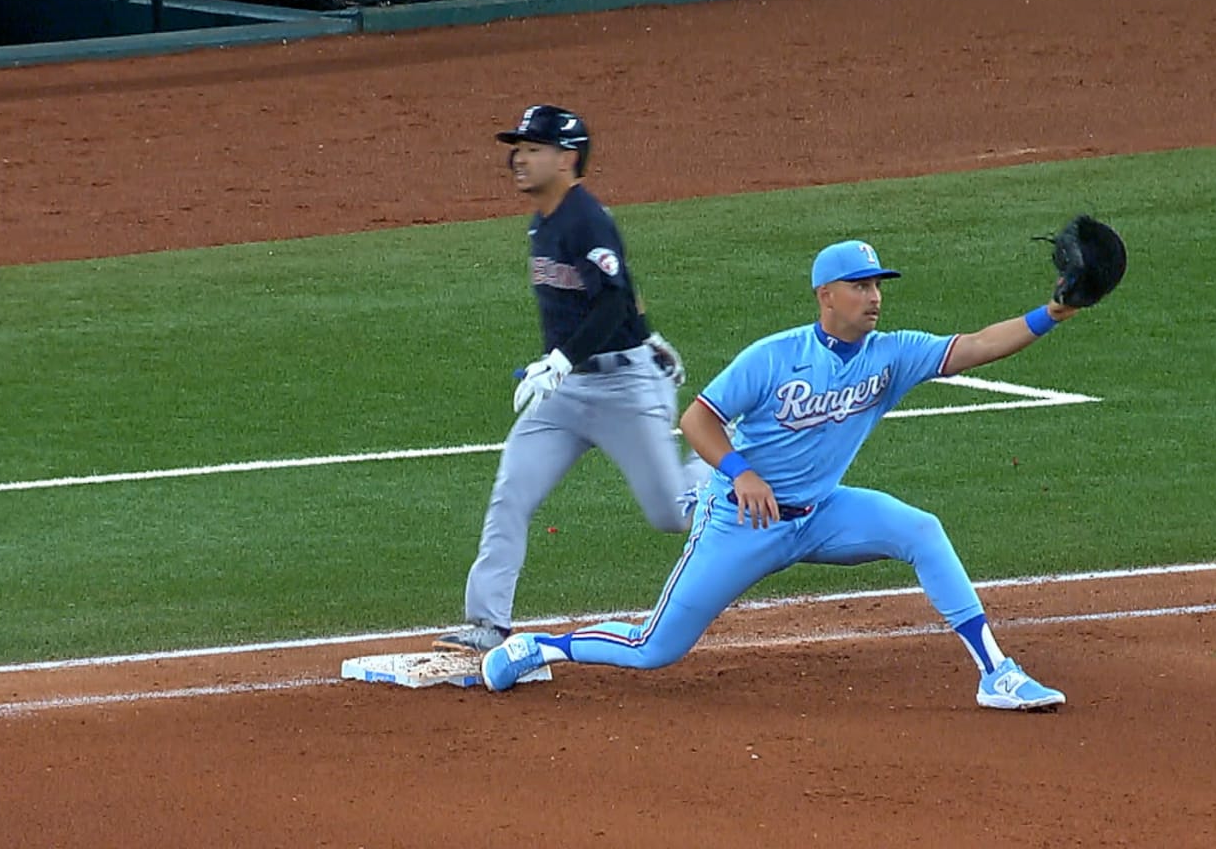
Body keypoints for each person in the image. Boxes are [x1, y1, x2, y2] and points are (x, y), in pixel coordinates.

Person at [478, 237, 1084, 710]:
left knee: (921, 530)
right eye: (860, 285)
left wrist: (1054, 311)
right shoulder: (773, 357)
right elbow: (697, 420)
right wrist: (740, 473)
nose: (874, 296)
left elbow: (976, 345)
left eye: (878, 284)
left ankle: (996, 673)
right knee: (653, 648)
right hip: (742, 521)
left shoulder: (892, 353)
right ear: (825, 294)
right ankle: (542, 646)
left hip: (820, 515)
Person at [434, 104, 708, 654]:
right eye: (519, 148)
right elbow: (620, 295)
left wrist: (567, 357)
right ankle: (487, 624)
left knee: (672, 512)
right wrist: (639, 334)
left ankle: (729, 459)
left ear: (567, 158)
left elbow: (611, 303)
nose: (518, 158)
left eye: (532, 149)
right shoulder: (545, 219)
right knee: (512, 490)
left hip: (623, 389)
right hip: (566, 392)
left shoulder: (586, 221)